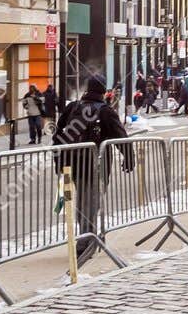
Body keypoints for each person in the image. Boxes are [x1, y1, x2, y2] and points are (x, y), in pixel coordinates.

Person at [53, 74, 134, 262]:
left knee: (83, 202)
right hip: (96, 165)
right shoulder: (105, 111)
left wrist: (59, 159)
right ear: (103, 90)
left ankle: (89, 237)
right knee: (91, 203)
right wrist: (128, 157)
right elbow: (120, 136)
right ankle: (86, 242)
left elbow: (58, 134)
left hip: (73, 165)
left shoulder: (73, 107)